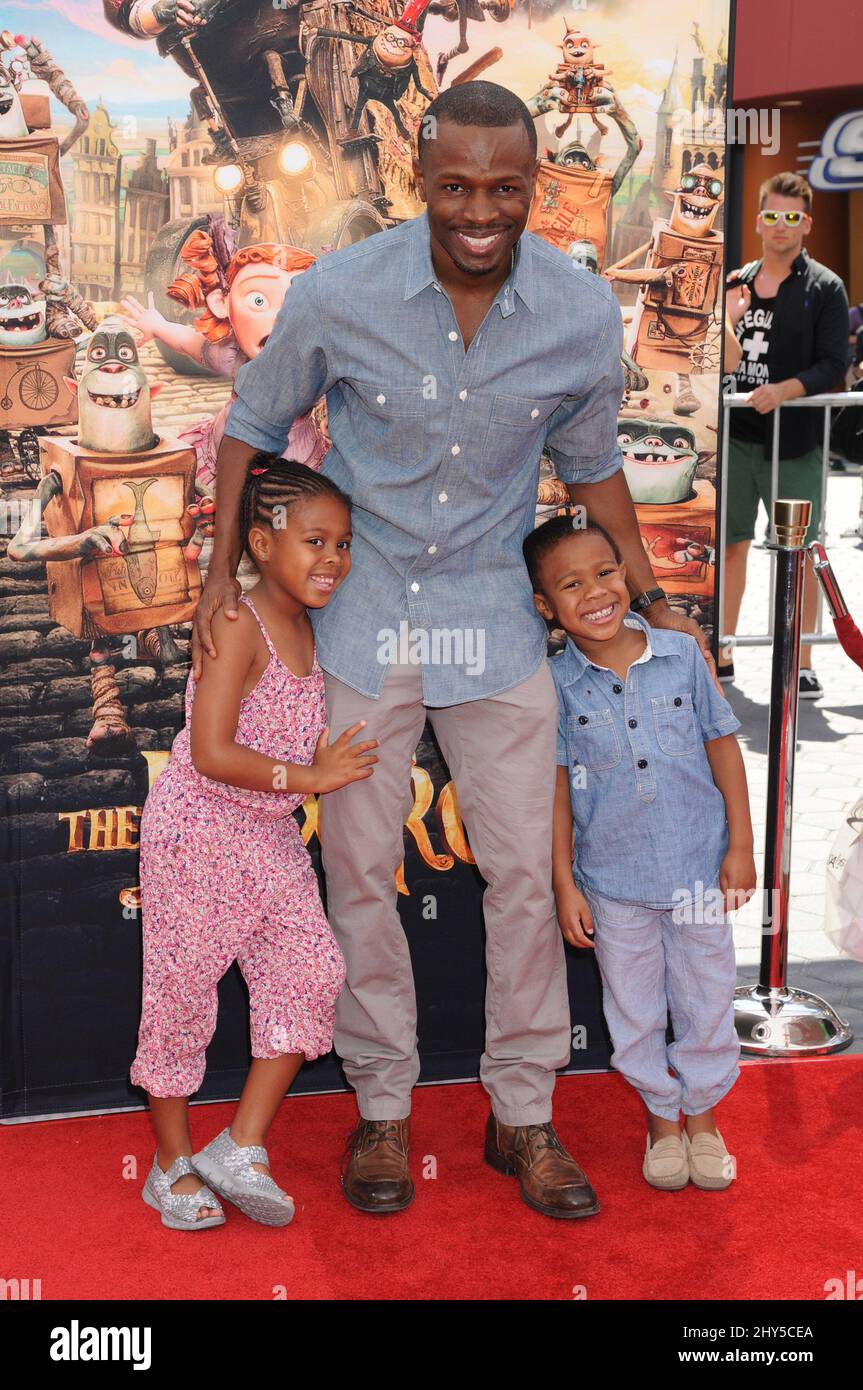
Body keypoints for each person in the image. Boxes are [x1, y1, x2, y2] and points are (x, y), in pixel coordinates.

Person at [194, 81, 711, 1221]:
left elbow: (589, 469)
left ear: (535, 187)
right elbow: (247, 425)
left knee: (526, 877)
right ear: (419, 181)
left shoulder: (577, 312)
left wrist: (649, 588)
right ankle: (381, 1105)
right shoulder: (340, 294)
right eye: (455, 186)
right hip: (365, 620)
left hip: (491, 618)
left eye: (505, 187)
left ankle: (519, 1114)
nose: (480, 209)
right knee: (360, 879)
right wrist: (219, 580)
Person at [130, 459, 378, 1230]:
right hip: (198, 832)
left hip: (266, 837)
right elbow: (208, 751)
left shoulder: (309, 623)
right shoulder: (237, 622)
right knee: (179, 998)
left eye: (342, 544)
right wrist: (314, 774)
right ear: (263, 545)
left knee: (310, 972)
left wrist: (306, 782)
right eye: (314, 541)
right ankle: (170, 1165)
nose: (332, 559)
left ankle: (238, 1147)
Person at [527, 516, 756, 1191]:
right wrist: (564, 883)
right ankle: (661, 1120)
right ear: (546, 607)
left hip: (696, 872)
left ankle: (704, 1118)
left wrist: (741, 845)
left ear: (627, 573)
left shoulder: (682, 654)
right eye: (571, 584)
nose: (595, 592)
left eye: (604, 572)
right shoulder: (556, 686)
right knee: (633, 1010)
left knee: (705, 998)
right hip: (612, 882)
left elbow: (722, 744)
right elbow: (557, 789)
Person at [721, 171, 849, 698]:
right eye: (771, 215)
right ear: (757, 220)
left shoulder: (825, 287)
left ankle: (800, 660)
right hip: (737, 438)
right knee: (730, 547)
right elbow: (720, 362)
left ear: (807, 224)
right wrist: (728, 319)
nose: (780, 225)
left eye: (791, 217)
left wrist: (785, 390)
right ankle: (721, 646)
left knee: (800, 551)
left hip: (796, 443)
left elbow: (833, 366)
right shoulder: (736, 281)